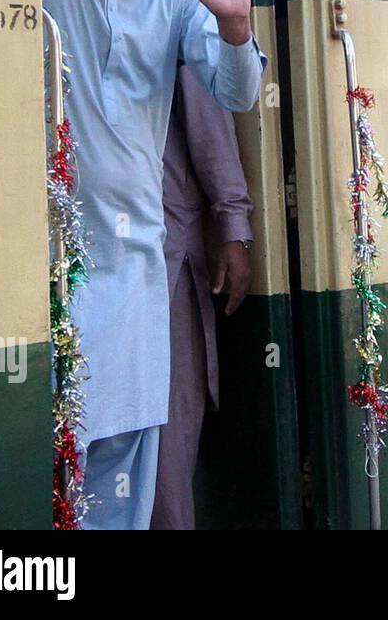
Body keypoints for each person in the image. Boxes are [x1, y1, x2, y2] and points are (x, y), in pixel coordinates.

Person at [41, 0, 266, 529]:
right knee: (54, 446)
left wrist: (234, 26)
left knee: (124, 455)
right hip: (48, 263)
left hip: (137, 265)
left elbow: (236, 89)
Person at [150, 63, 254, 530]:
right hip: (106, 257)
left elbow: (209, 121)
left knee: (165, 451)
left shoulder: (173, 2)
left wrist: (234, 228)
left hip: (165, 256)